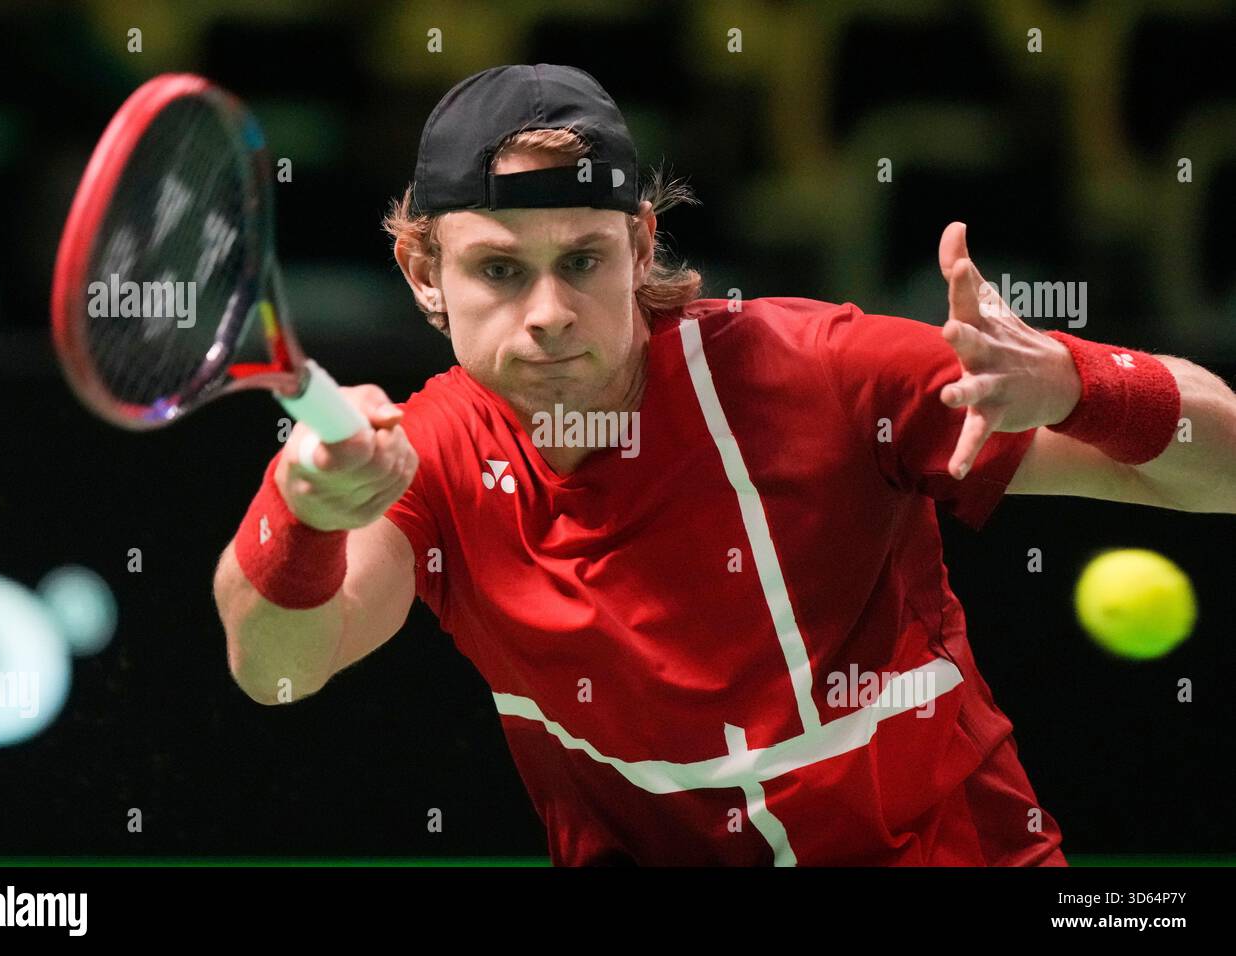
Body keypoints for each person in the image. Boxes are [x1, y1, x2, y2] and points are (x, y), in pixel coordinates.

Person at [213, 64, 1236, 865]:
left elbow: (1220, 463)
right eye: (497, 269)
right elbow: (279, 670)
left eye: (583, 260)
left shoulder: (822, 374)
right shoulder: (432, 452)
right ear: (421, 270)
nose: (549, 312)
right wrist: (303, 512)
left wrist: (1075, 378)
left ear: (641, 242)